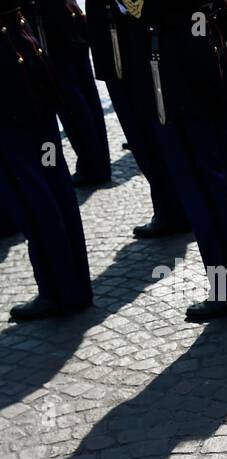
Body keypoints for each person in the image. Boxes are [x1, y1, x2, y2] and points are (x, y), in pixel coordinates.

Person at [136, 0, 227, 322]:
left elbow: (143, 8)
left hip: (181, 57)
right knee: (219, 172)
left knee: (204, 179)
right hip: (197, 49)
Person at [0, 0, 93, 320]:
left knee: (31, 189)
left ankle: (59, 289)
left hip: (7, 78)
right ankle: (74, 283)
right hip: (25, 58)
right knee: (52, 175)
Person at [86, 0, 189, 237]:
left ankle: (171, 209)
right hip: (126, 34)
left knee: (144, 132)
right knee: (147, 130)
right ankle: (172, 205)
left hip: (123, 38)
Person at [27, 0, 113, 187]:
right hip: (65, 15)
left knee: (70, 98)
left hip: (48, 22)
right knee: (83, 93)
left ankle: (92, 164)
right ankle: (97, 163)